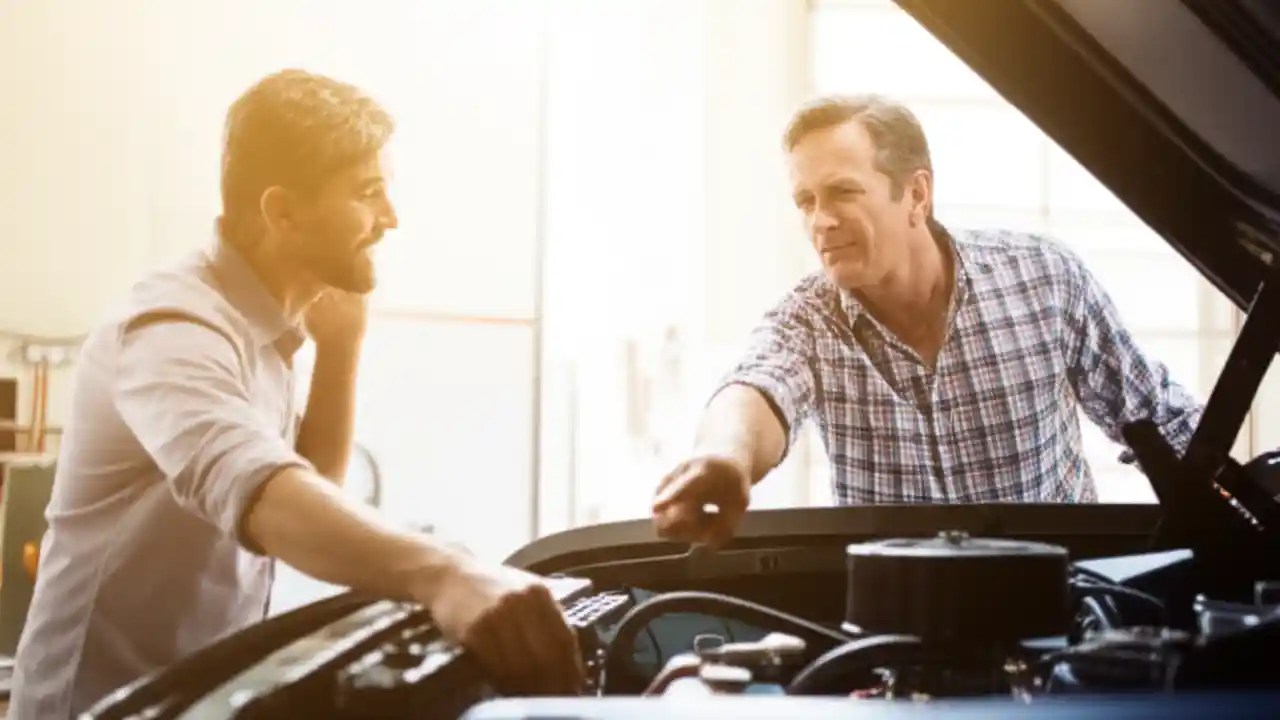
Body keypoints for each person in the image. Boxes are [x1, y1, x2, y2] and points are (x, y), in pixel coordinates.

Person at [12, 69, 582, 719]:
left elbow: (312, 485)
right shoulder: (173, 330)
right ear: (282, 211)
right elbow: (260, 491)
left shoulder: (270, 329)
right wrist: (444, 572)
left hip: (196, 698)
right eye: (369, 194)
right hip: (100, 707)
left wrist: (340, 351)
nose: (390, 218)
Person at [651, 94, 1203, 549]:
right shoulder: (808, 321)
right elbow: (755, 390)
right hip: (896, 635)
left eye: (843, 191)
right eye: (805, 200)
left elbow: (1158, 416)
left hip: (1060, 614)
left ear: (916, 193)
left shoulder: (1046, 280)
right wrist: (723, 457)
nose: (821, 220)